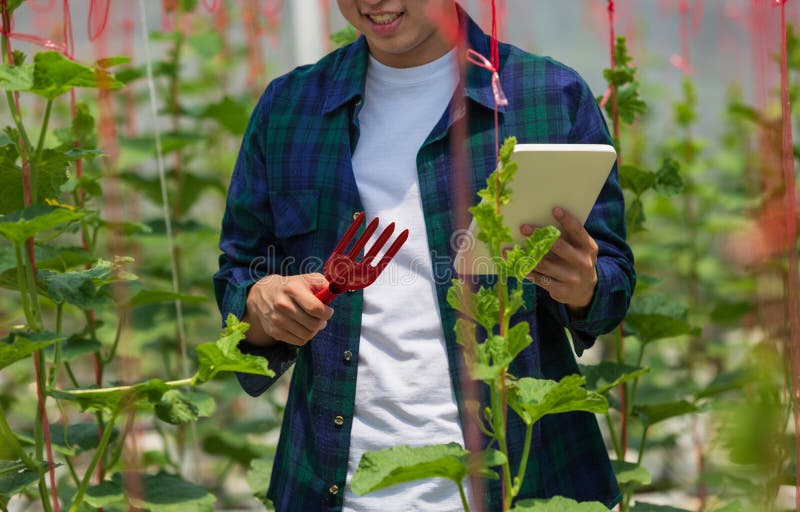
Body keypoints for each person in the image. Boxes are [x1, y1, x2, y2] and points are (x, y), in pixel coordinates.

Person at [214, 1, 635, 511]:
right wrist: (262, 302)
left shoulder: (548, 95)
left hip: (520, 481)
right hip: (336, 485)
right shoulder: (290, 107)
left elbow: (612, 284)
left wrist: (585, 286)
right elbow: (242, 271)